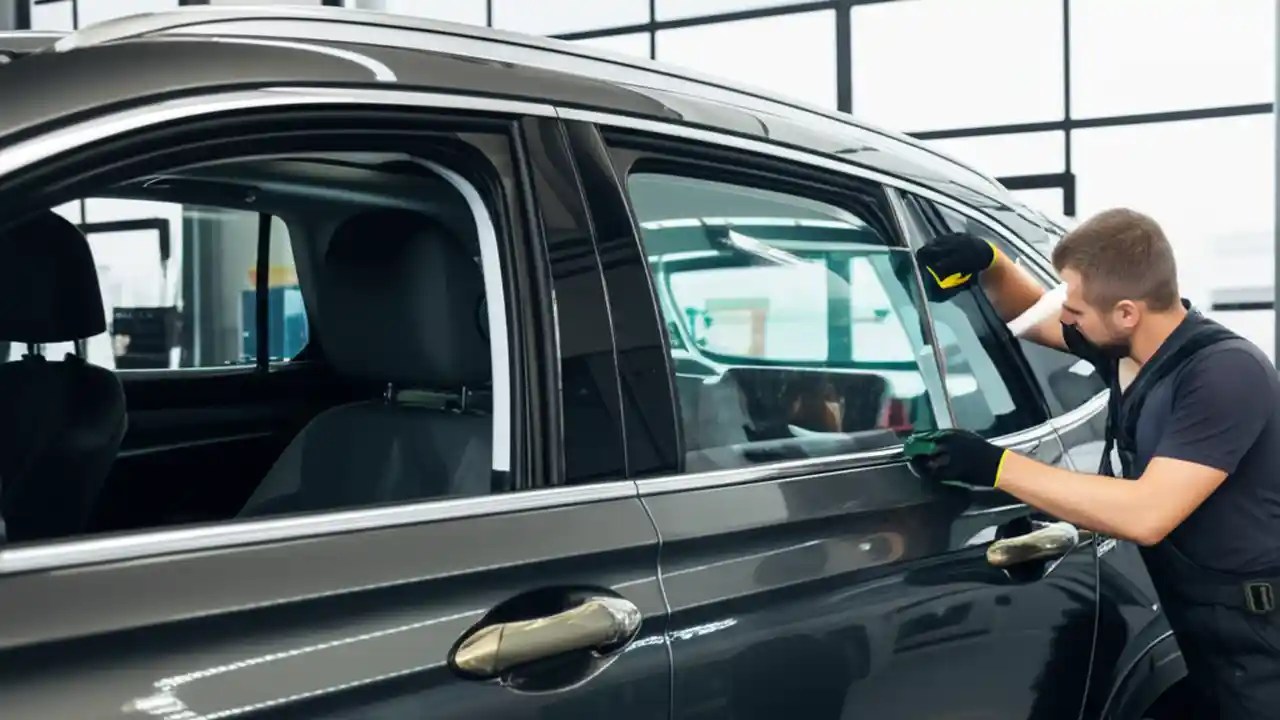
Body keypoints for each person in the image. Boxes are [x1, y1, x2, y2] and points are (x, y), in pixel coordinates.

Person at [908, 208, 1280, 719]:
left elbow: (1146, 513)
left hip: (1260, 638)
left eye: (1076, 309)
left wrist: (996, 466)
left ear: (1126, 313)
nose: (1066, 318)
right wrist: (990, 263)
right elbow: (1035, 317)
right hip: (1205, 624)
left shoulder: (1225, 373)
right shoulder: (1133, 349)